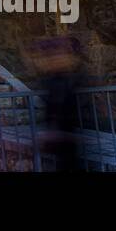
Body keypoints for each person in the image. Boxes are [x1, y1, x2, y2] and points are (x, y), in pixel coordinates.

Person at [34, 36, 88, 171]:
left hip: (66, 141)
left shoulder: (68, 80)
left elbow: (69, 111)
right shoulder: (54, 80)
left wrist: (55, 133)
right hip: (62, 143)